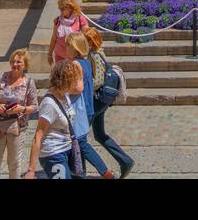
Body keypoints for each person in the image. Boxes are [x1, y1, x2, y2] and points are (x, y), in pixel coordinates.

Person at [64, 32, 115, 178]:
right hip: (87, 107)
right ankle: (80, 172)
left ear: (75, 47)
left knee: (80, 143)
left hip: (80, 109)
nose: (66, 48)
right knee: (79, 143)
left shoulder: (75, 64)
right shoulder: (86, 61)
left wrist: (61, 89)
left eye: (68, 45)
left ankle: (105, 173)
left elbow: (78, 88)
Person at [85, 26, 134, 178]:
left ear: (90, 41)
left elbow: (98, 81)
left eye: (84, 40)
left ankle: (79, 171)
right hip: (103, 100)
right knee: (100, 135)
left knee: (79, 137)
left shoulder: (94, 55)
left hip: (97, 100)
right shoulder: (100, 52)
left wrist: (82, 86)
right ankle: (125, 161)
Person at [24, 59, 84, 180]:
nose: (77, 82)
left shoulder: (64, 95)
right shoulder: (49, 104)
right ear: (67, 81)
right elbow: (38, 137)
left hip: (66, 149)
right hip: (52, 153)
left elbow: (79, 89)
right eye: (75, 79)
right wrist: (31, 170)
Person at [0, 48, 38, 180]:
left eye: (19, 62)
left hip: (18, 128)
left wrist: (21, 109)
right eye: (13, 61)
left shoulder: (29, 83)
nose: (15, 64)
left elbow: (35, 106)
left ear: (25, 65)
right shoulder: (1, 78)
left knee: (14, 164)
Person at [47, 0, 89, 67]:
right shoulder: (58, 21)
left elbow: (84, 39)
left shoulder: (80, 19)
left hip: (75, 56)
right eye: (60, 8)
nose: (60, 10)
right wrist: (50, 54)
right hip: (60, 55)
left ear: (70, 8)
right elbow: (54, 38)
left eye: (63, 8)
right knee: (60, 76)